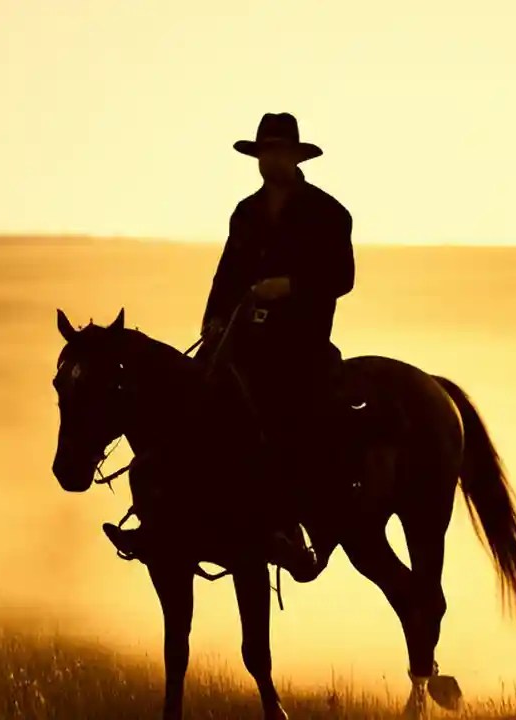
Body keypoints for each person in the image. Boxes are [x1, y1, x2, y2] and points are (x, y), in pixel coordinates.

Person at [107, 112, 354, 582]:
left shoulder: (328, 213)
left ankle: (290, 527)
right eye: (265, 154)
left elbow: (342, 278)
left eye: (278, 153)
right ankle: (163, 519)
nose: (270, 161)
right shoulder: (245, 212)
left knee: (281, 416)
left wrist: (290, 287)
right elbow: (226, 274)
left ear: (295, 157)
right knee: (186, 403)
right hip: (242, 339)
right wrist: (213, 318)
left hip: (299, 341)